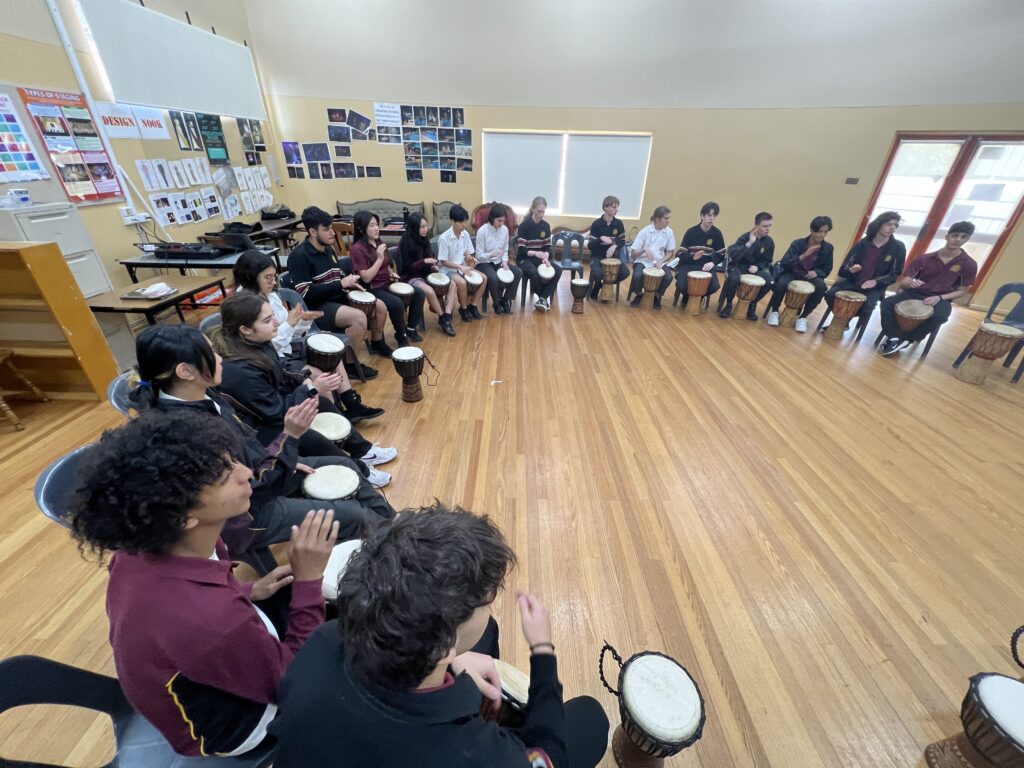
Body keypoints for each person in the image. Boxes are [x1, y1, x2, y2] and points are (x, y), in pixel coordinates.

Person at [67, 410, 338, 759]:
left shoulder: (142, 549)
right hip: (230, 727)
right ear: (185, 516)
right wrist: (309, 581)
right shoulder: (211, 620)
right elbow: (290, 684)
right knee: (342, 668)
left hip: (206, 656)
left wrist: (247, 592)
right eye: (226, 475)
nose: (245, 472)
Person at [270, 503, 610, 768]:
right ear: (441, 645)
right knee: (590, 717)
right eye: (487, 602)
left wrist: (455, 661)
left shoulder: (323, 641)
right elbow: (547, 760)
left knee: (487, 636)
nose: (489, 607)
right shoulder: (477, 756)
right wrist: (542, 650)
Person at [132, 324, 395, 549]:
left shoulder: (202, 394)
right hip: (246, 513)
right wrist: (289, 439)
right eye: (210, 353)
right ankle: (392, 553)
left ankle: (398, 528)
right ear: (184, 371)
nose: (220, 358)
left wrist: (286, 458)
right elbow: (256, 487)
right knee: (355, 516)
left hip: (260, 479)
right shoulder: (189, 430)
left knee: (345, 464)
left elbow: (248, 449)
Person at [211, 293, 393, 488]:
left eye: (273, 315)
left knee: (321, 402)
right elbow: (273, 412)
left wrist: (305, 378)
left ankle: (363, 451)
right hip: (258, 429)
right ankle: (361, 473)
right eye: (267, 320)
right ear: (245, 329)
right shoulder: (240, 371)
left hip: (270, 411)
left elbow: (280, 374)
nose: (276, 322)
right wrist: (311, 389)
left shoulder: (257, 343)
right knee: (307, 433)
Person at [233, 250, 383, 421]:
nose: (273, 282)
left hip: (287, 348)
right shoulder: (244, 306)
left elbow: (289, 332)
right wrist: (290, 323)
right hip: (271, 361)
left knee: (331, 354)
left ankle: (351, 403)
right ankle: (337, 419)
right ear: (251, 277)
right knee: (320, 376)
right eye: (268, 277)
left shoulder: (271, 296)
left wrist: (303, 321)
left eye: (274, 276)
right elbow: (270, 345)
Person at [286, 206, 386, 370]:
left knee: (379, 306)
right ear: (312, 232)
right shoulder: (299, 257)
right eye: (326, 229)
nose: (332, 232)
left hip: (336, 299)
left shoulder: (328, 249)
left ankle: (377, 343)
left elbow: (336, 275)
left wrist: (348, 283)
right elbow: (306, 294)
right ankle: (350, 364)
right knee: (359, 317)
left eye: (331, 227)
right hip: (317, 308)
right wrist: (340, 284)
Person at [878, 221, 978, 356]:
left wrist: (941, 297)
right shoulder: (925, 258)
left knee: (940, 316)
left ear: (967, 239)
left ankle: (908, 339)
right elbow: (904, 282)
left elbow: (963, 290)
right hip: (914, 293)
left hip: (940, 299)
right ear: (947, 236)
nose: (958, 239)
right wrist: (910, 283)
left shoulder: (969, 264)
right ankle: (893, 336)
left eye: (963, 237)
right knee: (886, 304)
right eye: (955, 235)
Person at [350, 210, 425, 348]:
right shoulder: (357, 249)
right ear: (361, 228)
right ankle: (401, 336)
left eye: (377, 224)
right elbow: (366, 278)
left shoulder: (378, 241)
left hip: (387, 283)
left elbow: (386, 264)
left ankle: (410, 328)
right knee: (396, 303)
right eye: (372, 225)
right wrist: (379, 259)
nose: (376, 228)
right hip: (372, 288)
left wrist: (390, 272)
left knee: (419, 293)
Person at [823, 211, 906, 333]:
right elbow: (844, 269)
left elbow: (895, 274)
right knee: (830, 295)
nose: (892, 228)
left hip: (874, 288)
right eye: (889, 224)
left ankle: (844, 321)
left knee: (867, 306)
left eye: (895, 225)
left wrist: (876, 282)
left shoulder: (898, 247)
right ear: (879, 224)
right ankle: (842, 320)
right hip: (853, 282)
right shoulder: (863, 243)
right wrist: (851, 270)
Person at [765, 216, 834, 332]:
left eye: (825, 232)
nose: (822, 235)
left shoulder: (828, 248)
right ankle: (775, 311)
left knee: (821, 287)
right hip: (792, 272)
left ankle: (803, 317)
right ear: (812, 230)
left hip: (809, 276)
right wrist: (805, 254)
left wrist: (817, 272)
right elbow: (785, 262)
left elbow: (827, 269)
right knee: (781, 283)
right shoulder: (798, 243)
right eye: (819, 231)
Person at [397, 211, 459, 336]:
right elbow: (407, 267)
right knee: (429, 291)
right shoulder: (405, 241)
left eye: (426, 226)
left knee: (452, 284)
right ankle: (442, 318)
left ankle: (446, 316)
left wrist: (433, 266)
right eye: (421, 227)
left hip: (425, 274)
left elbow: (430, 257)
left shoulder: (425, 239)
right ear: (414, 227)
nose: (425, 229)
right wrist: (424, 261)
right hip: (410, 276)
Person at [719, 212, 775, 320]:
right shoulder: (745, 237)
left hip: (754, 268)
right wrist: (749, 243)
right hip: (738, 266)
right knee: (733, 278)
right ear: (756, 225)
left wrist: (758, 267)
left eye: (770, 226)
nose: (768, 229)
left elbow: (768, 260)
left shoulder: (769, 242)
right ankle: (729, 304)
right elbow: (733, 254)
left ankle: (752, 304)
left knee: (769, 281)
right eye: (765, 226)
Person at [438, 204, 488, 323]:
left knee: (484, 278)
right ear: (452, 221)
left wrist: (470, 258)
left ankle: (473, 306)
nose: (464, 225)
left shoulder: (465, 234)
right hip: (447, 270)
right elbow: (443, 261)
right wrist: (461, 266)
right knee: (461, 282)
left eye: (464, 221)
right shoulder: (444, 238)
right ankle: (464, 309)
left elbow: (467, 253)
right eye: (460, 222)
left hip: (462, 267)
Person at [474, 203, 522, 315]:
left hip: (499, 262)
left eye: (503, 221)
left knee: (518, 272)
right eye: (499, 221)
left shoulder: (504, 230)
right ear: (492, 218)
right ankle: (496, 303)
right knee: (493, 277)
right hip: (484, 263)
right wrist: (491, 254)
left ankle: (505, 300)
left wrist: (505, 261)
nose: (501, 224)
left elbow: (505, 250)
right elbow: (478, 256)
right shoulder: (482, 231)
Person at [674, 201, 725, 307]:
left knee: (714, 286)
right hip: (689, 264)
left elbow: (721, 254)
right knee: (682, 285)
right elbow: (680, 255)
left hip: (705, 266)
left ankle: (699, 297)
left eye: (714, 215)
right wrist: (693, 257)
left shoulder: (717, 234)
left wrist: (712, 262)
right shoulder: (691, 232)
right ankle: (687, 296)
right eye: (709, 215)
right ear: (702, 216)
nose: (712, 218)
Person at [517, 196, 561, 311]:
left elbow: (547, 246)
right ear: (533, 209)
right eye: (539, 211)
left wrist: (546, 256)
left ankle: (542, 299)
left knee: (558, 269)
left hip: (540, 258)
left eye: (543, 212)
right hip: (524, 259)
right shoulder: (523, 226)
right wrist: (536, 254)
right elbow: (522, 249)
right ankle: (543, 298)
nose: (541, 214)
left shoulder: (545, 226)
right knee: (532, 271)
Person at [628, 205, 675, 309]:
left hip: (659, 262)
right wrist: (644, 249)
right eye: (666, 218)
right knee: (637, 275)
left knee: (668, 277)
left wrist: (661, 260)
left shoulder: (669, 232)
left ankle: (656, 296)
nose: (668, 221)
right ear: (658, 219)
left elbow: (670, 252)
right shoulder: (645, 231)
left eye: (669, 218)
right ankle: (639, 295)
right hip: (642, 261)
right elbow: (633, 253)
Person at [586, 196, 629, 301]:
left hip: (613, 257)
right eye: (613, 207)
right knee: (597, 273)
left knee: (625, 272)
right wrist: (600, 238)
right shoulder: (596, 224)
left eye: (616, 207)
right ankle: (598, 285)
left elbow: (622, 241)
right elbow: (590, 246)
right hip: (597, 256)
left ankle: (601, 285)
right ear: (605, 207)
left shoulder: (619, 223)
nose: (616, 210)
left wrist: (614, 245)